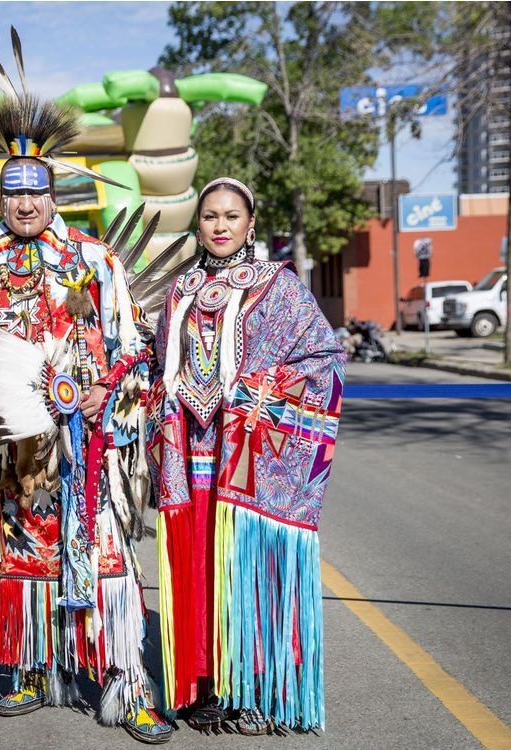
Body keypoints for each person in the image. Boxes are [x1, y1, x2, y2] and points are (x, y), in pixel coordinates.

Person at [0, 29, 172, 744]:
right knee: (17, 554)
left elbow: (134, 348)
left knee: (106, 558)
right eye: (12, 192)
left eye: (37, 193)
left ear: (55, 196)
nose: (25, 204)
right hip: (14, 453)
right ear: (0, 193)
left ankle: (127, 682)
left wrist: (106, 391)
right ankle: (33, 668)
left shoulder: (94, 261)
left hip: (86, 443)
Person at [148, 178, 345, 735]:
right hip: (190, 459)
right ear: (198, 223)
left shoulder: (279, 288)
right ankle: (205, 682)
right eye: (209, 216)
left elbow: (324, 357)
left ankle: (254, 687)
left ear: (250, 223)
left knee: (246, 568)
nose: (219, 225)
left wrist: (264, 389)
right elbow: (161, 363)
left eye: (231, 216)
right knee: (200, 570)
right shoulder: (180, 290)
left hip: (252, 460)